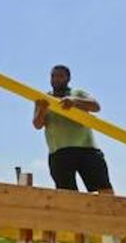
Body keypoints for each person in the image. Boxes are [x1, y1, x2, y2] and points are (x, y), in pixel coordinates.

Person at [32, 65, 114, 193]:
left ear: (68, 78)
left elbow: (96, 107)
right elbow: (37, 125)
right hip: (59, 152)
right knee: (67, 195)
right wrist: (42, 109)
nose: (56, 79)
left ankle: (109, 212)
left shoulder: (77, 93)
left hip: (86, 149)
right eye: (53, 76)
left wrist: (74, 101)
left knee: (103, 190)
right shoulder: (43, 99)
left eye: (60, 76)